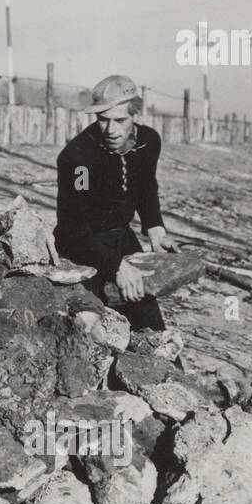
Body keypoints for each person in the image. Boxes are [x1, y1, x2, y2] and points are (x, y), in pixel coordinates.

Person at [54, 74, 179, 330]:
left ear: (135, 115)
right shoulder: (79, 159)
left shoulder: (148, 142)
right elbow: (73, 228)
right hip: (81, 248)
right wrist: (115, 267)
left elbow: (146, 186)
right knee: (88, 323)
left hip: (122, 239)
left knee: (150, 324)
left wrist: (155, 227)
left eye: (120, 120)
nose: (111, 130)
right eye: (103, 120)